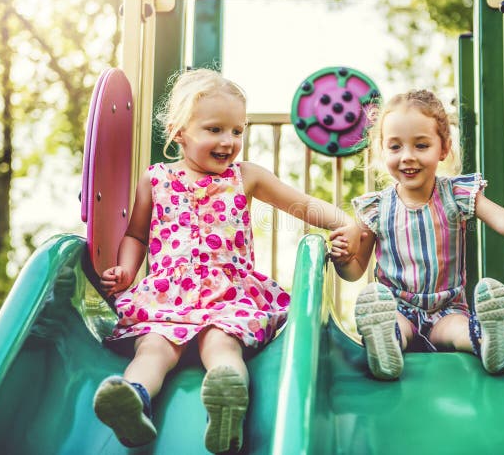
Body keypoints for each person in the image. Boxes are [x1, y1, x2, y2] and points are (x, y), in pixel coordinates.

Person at [92, 69, 361, 452]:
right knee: (153, 347)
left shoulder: (244, 176)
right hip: (167, 300)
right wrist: (127, 271)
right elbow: (136, 234)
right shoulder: (155, 180)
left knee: (221, 344)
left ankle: (228, 407)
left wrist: (343, 222)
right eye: (214, 130)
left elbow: (299, 203)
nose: (229, 141)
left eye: (237, 130)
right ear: (179, 130)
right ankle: (134, 404)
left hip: (228, 296)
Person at [330, 89, 504, 381]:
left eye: (421, 145)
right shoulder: (375, 207)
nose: (407, 157)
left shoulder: (456, 194)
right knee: (393, 324)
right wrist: (343, 258)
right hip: (397, 305)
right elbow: (355, 269)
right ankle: (386, 347)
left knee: (458, 330)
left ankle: (489, 342)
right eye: (395, 147)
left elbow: (502, 219)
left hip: (447, 309)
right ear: (382, 151)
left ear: (443, 148)